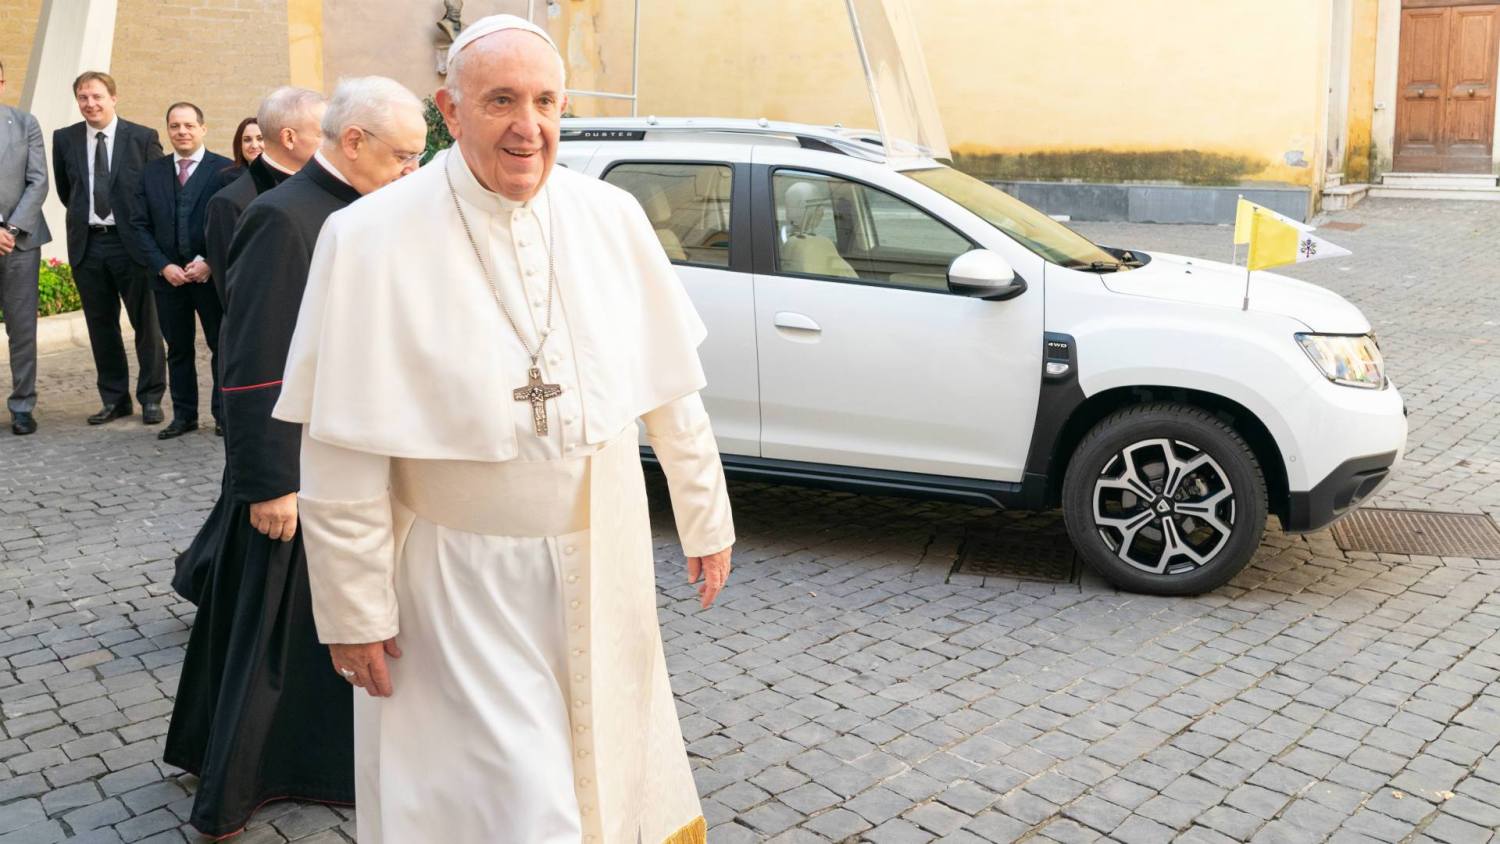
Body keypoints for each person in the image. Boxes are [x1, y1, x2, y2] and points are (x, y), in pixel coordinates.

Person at [274, 16, 735, 843]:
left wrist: (705, 515)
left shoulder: (611, 216)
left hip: (604, 557)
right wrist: (352, 608)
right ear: (449, 109)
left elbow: (671, 385)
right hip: (457, 585)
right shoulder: (368, 236)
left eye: (546, 101)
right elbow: (343, 446)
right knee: (514, 809)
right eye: (501, 101)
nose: (530, 126)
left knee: (604, 784)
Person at [162, 76, 426, 840]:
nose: (412, 171)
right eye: (403, 156)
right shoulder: (284, 217)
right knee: (267, 639)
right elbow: (252, 360)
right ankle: (238, 787)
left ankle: (319, 762)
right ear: (354, 143)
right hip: (296, 472)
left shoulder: (363, 209)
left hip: (349, 458)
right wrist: (271, 482)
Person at [51, 71, 166, 426]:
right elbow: (67, 191)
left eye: (97, 96)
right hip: (88, 245)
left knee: (146, 325)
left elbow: (157, 193)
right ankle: (115, 399)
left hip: (131, 245)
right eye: (83, 97)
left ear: (113, 98)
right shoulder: (65, 138)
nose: (90, 104)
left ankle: (151, 397)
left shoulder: (142, 138)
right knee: (101, 326)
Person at [129, 102, 229, 440]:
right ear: (168, 131)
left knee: (220, 346)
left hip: (209, 278)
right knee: (178, 349)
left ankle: (223, 415)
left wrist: (210, 262)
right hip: (168, 279)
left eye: (188, 125)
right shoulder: (152, 173)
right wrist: (162, 265)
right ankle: (184, 416)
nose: (182, 131)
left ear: (203, 128)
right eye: (175, 126)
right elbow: (138, 225)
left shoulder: (224, 170)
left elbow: (232, 225)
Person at [202, 88, 324, 307]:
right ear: (289, 137)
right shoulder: (230, 203)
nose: (330, 143)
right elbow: (238, 298)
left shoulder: (325, 188)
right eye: (322, 134)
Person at [0, 58, 52, 436]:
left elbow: (39, 181)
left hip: (19, 244)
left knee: (22, 330)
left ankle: (22, 405)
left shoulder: (24, 123)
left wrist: (11, 228)